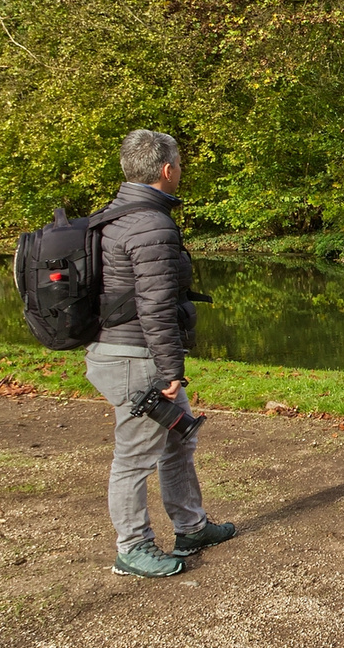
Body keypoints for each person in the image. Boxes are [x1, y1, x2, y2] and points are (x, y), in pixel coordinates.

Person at [86, 129, 235, 578]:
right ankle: (132, 548)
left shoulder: (113, 215)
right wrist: (171, 369)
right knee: (134, 456)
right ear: (166, 170)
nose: (181, 172)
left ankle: (190, 527)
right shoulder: (150, 224)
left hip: (123, 349)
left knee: (179, 436)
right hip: (137, 360)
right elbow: (154, 305)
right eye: (180, 166)